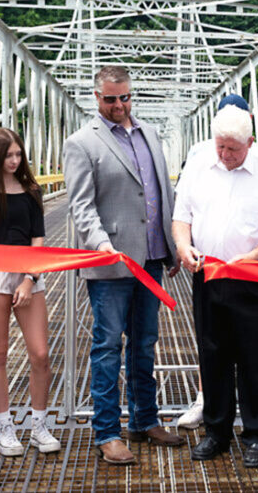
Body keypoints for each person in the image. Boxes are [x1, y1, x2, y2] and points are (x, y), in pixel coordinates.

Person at [64, 65, 184, 466]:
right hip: (112, 263)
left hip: (150, 258)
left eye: (125, 97)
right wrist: (102, 246)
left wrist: (171, 247)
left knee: (145, 343)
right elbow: (81, 205)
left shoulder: (150, 133)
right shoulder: (82, 142)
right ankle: (108, 432)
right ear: (97, 98)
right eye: (111, 99)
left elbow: (162, 192)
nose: (119, 105)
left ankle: (145, 420)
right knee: (107, 346)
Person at [173, 104, 258, 468]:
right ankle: (217, 431)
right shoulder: (198, 165)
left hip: (252, 277)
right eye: (220, 147)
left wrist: (252, 258)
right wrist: (183, 246)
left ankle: (257, 433)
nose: (224, 155)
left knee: (254, 356)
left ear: (250, 143)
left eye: (233, 149)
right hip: (207, 274)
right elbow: (182, 217)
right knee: (212, 353)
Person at [0, 128, 60, 456]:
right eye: (8, 156)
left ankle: (39, 425)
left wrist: (28, 280)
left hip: (30, 274)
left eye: (18, 154)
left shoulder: (31, 190)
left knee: (41, 353)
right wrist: (11, 274)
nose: (15, 161)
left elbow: (38, 238)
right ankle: (5, 427)